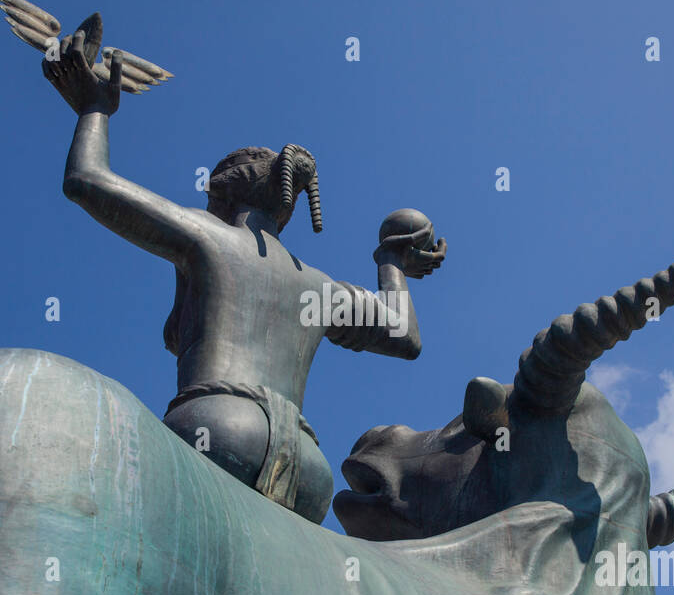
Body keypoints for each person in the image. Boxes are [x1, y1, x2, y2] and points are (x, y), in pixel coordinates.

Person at [42, 29, 446, 523]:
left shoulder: (206, 236)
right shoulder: (318, 286)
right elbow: (405, 336)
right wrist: (392, 264)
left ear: (219, 198)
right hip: (306, 469)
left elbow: (87, 181)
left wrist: (93, 110)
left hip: (216, 428)